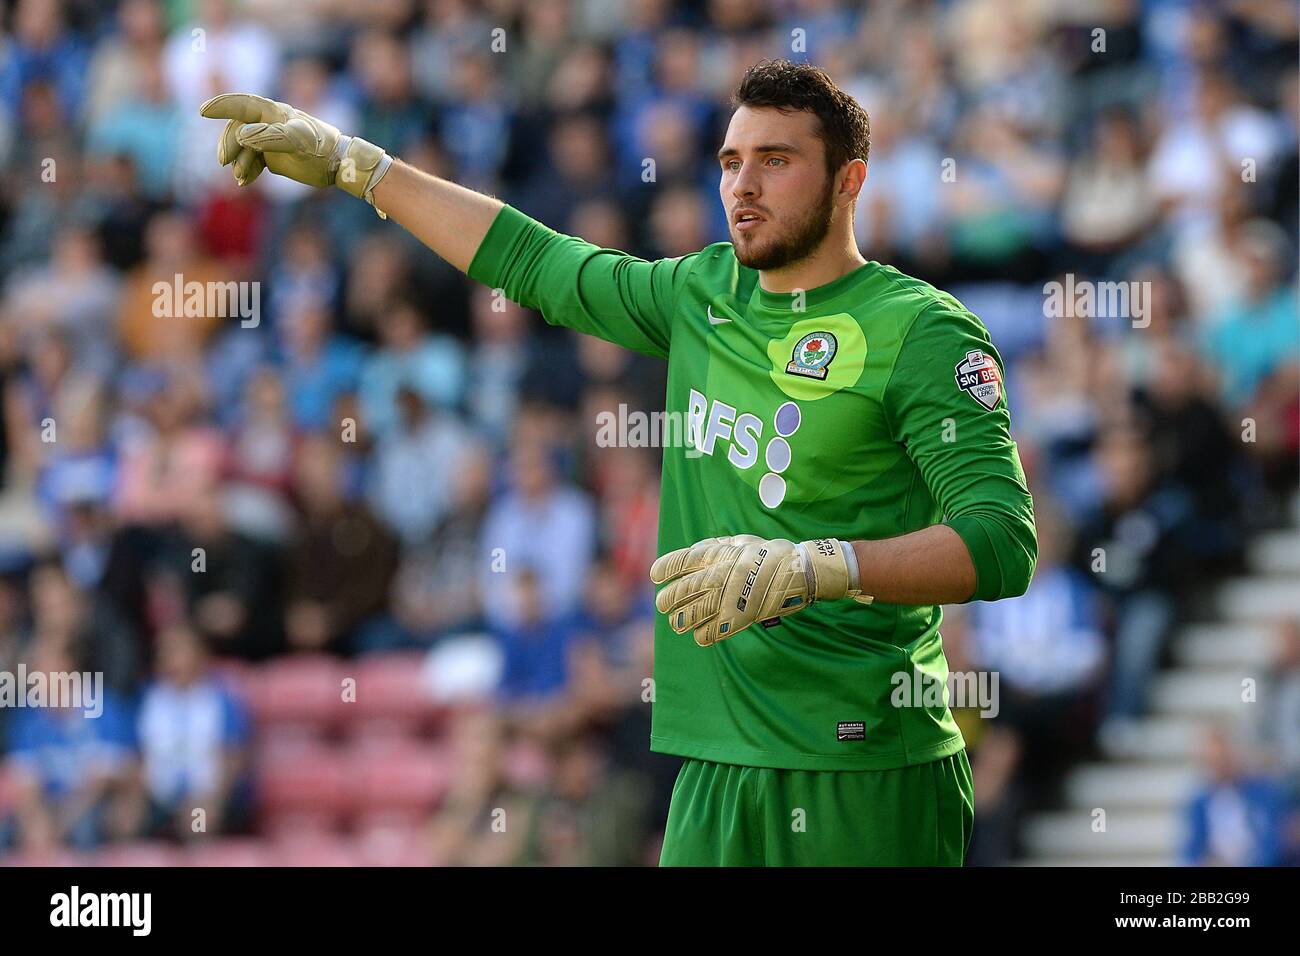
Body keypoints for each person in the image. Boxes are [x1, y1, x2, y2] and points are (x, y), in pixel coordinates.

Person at [199, 58, 1036, 866]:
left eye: (775, 162)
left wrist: (821, 567)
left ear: (850, 181)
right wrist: (361, 165)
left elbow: (1001, 543)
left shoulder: (922, 332)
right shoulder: (702, 294)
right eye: (730, 162)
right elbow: (531, 260)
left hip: (865, 766)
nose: (742, 186)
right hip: (714, 760)